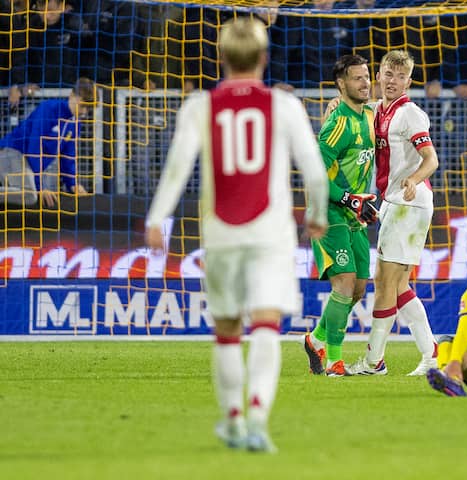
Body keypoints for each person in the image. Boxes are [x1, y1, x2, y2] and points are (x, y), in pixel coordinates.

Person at [144, 17, 329, 452]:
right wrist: (317, 214)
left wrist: (157, 219)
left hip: (221, 233)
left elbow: (177, 168)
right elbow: (314, 172)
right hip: (271, 233)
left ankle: (232, 418)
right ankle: (258, 419)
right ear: (265, 58)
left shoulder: (199, 106)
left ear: (221, 58)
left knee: (227, 329)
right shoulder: (284, 105)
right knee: (266, 324)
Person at [346, 50, 440, 377]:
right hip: (395, 202)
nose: (393, 81)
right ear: (379, 76)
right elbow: (357, 107)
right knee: (395, 284)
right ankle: (431, 354)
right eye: (388, 74)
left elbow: (431, 159)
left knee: (386, 283)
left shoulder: (410, 114)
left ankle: (374, 361)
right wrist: (337, 103)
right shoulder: (380, 110)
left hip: (409, 202)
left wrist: (413, 179)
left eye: (400, 77)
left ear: (408, 82)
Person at [303, 54, 377, 378]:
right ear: (341, 84)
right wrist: (349, 199)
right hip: (329, 212)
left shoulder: (370, 116)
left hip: (355, 216)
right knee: (345, 284)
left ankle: (315, 340)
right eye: (357, 78)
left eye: (366, 77)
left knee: (358, 289)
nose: (365, 83)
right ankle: (334, 362)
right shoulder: (337, 124)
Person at [0, 77, 93, 207]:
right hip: (11, 153)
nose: (84, 112)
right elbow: (34, 146)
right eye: (82, 105)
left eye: (88, 108)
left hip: (25, 163)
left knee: (27, 196)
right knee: (30, 195)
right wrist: (40, 186)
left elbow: (68, 156)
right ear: (72, 95)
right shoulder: (49, 109)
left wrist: (72, 184)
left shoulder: (75, 124)